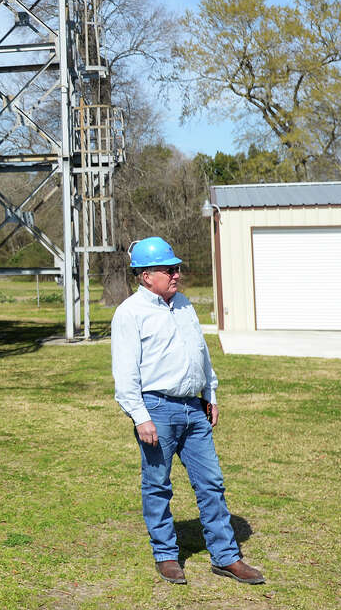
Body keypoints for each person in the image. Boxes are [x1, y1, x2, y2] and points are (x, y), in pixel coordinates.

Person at [110, 236, 265, 586]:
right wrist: (140, 416)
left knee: (211, 483)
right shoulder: (130, 313)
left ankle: (226, 557)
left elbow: (200, 351)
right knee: (157, 485)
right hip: (157, 410)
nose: (177, 274)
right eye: (170, 269)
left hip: (194, 409)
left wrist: (210, 392)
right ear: (146, 275)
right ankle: (166, 555)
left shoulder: (183, 305)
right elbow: (124, 374)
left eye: (177, 268)